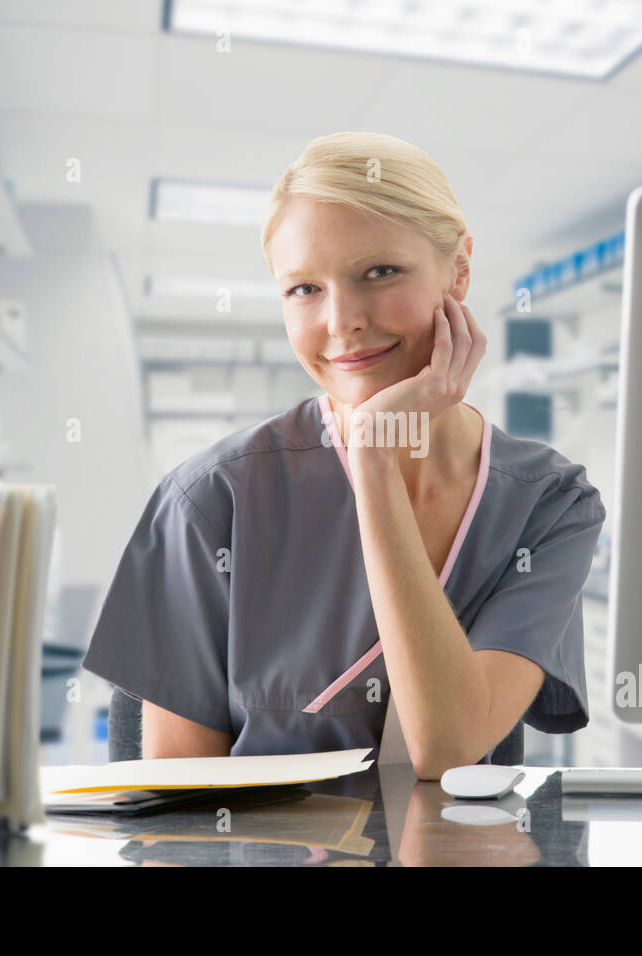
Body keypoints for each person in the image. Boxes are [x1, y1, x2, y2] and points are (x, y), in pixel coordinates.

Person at [82, 131, 606, 780]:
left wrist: (376, 464)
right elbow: (177, 818)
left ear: (459, 269)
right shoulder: (212, 498)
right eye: (304, 289)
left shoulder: (548, 503)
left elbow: (445, 749)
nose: (342, 322)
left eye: (380, 272)